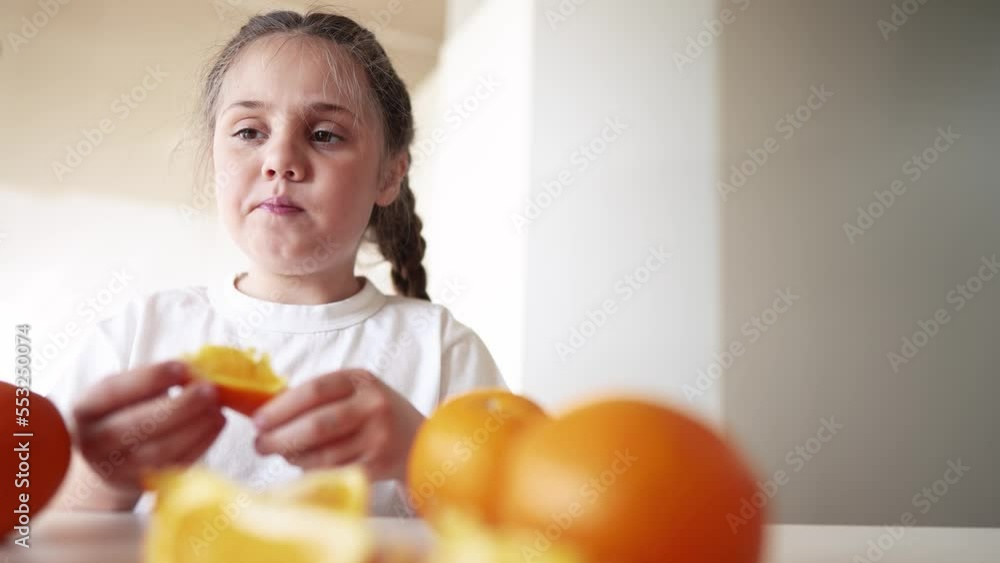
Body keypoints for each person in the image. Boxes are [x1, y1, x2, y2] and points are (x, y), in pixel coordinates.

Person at [49, 9, 506, 517]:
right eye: (249, 132)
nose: (280, 159)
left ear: (389, 174)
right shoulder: (135, 336)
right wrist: (103, 478)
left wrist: (418, 456)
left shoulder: (443, 351)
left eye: (326, 134)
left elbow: (512, 532)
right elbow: (26, 529)